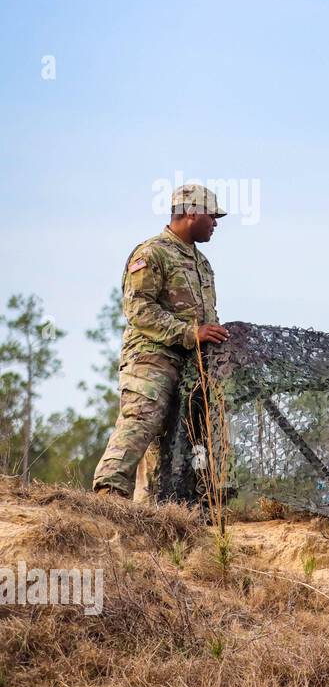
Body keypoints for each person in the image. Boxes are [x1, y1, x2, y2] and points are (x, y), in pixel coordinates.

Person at [93, 184, 229, 499]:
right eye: (212, 215)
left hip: (190, 367)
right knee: (142, 418)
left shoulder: (203, 263)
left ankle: (154, 507)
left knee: (176, 438)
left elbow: (209, 317)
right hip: (150, 358)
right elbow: (138, 309)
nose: (216, 223)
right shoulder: (151, 253)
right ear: (192, 213)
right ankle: (108, 492)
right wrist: (190, 333)